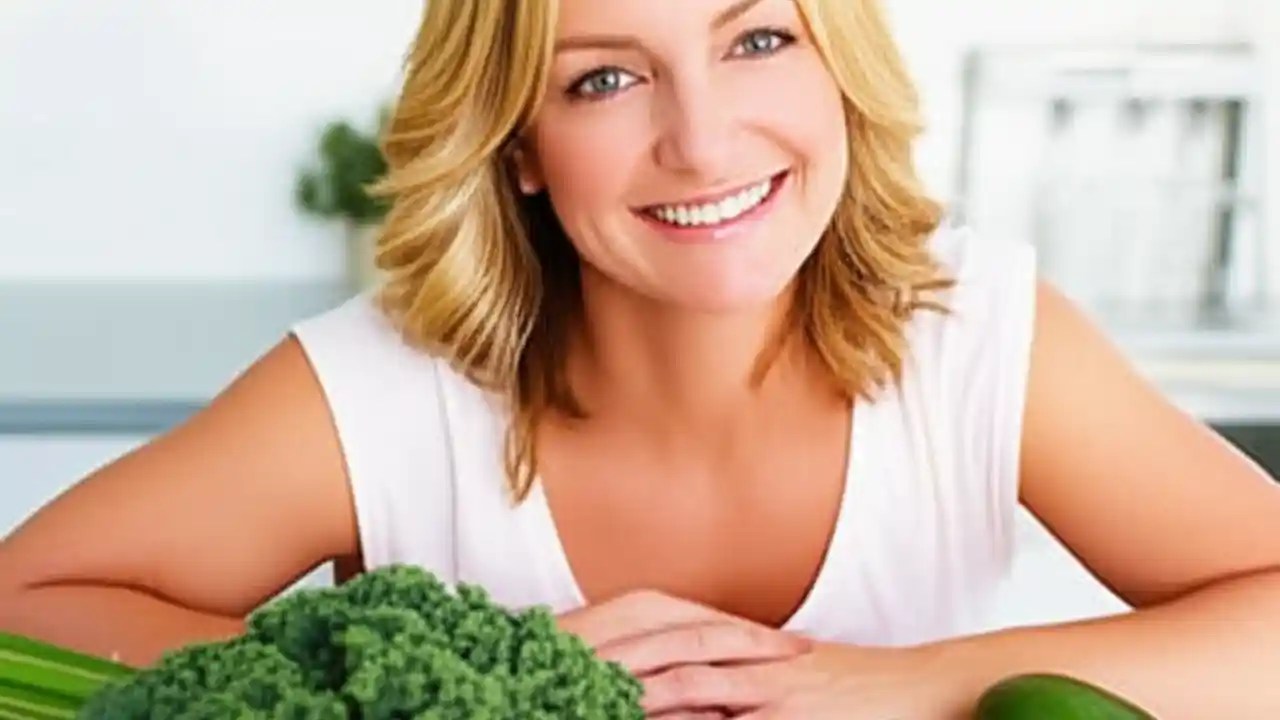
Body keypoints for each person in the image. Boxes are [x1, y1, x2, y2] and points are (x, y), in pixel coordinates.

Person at [4, 0, 1280, 717]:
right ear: (515, 147)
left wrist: (888, 689)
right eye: (605, 80)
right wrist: (447, 697)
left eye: (758, 40)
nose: (703, 140)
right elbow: (27, 603)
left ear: (840, 70)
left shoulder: (973, 333)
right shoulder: (386, 389)